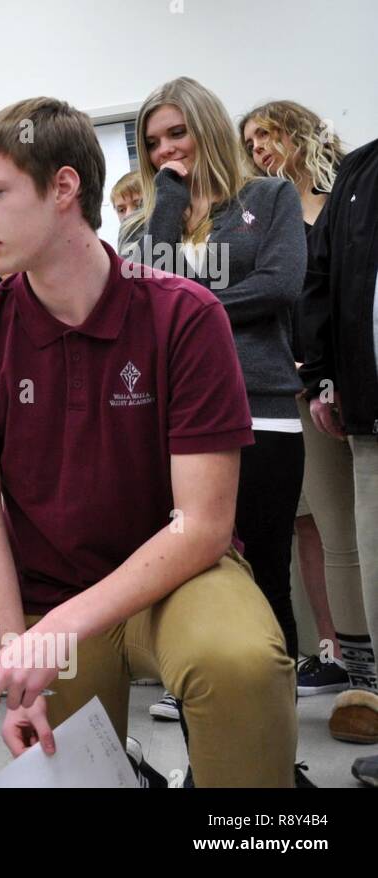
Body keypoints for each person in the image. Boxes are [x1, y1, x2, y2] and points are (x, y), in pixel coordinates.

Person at [0, 96, 296, 786]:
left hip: (178, 577)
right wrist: (17, 659)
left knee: (240, 663)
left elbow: (203, 527)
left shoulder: (184, 315)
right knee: (66, 757)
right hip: (45, 590)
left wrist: (61, 627)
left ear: (64, 187)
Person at [124, 78, 307, 724]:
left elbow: (281, 284)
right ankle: (212, 730)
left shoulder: (269, 195)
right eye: (153, 143)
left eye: (178, 133)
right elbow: (142, 297)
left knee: (264, 576)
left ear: (206, 127)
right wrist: (169, 200)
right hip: (174, 424)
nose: (166, 149)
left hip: (262, 412)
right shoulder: (148, 221)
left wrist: (190, 310)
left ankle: (271, 745)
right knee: (193, 574)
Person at [240, 100, 357, 700]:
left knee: (361, 523)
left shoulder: (348, 194)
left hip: (352, 378)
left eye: (267, 134)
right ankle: (337, 651)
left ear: (297, 130)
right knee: (314, 523)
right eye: (251, 141)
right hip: (299, 389)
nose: (259, 147)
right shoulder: (263, 211)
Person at [298, 133, 378, 749]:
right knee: (356, 541)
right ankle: (363, 676)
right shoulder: (361, 172)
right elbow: (319, 286)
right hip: (357, 398)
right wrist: (325, 376)